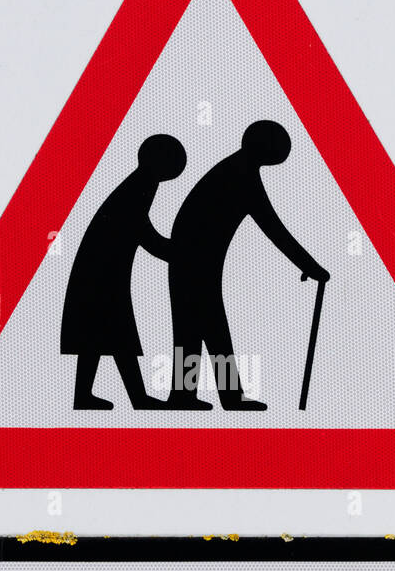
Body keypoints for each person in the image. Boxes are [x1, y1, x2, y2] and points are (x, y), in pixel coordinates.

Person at [165, 120, 329, 410]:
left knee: (194, 329)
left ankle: (186, 395)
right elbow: (274, 228)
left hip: (191, 261)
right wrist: (312, 267)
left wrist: (310, 266)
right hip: (197, 263)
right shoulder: (242, 176)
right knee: (210, 329)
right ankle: (219, 396)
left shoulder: (234, 168)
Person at [60, 134, 186, 409]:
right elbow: (143, 231)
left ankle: (95, 397)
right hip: (104, 271)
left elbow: (140, 229)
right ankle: (130, 399)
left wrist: (170, 250)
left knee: (106, 334)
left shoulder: (140, 182)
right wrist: (178, 253)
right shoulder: (141, 186)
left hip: (104, 268)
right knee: (114, 332)